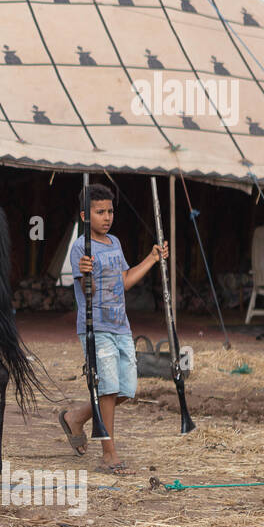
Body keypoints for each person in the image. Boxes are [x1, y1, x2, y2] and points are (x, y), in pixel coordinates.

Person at [57, 184, 168, 475]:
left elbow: (125, 280)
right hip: (96, 327)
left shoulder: (115, 243)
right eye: (99, 212)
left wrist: (152, 259)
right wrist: (86, 271)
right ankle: (109, 454)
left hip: (121, 325)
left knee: (126, 389)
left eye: (110, 211)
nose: (107, 217)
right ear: (85, 215)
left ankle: (76, 416)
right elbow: (87, 288)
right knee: (106, 388)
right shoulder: (82, 247)